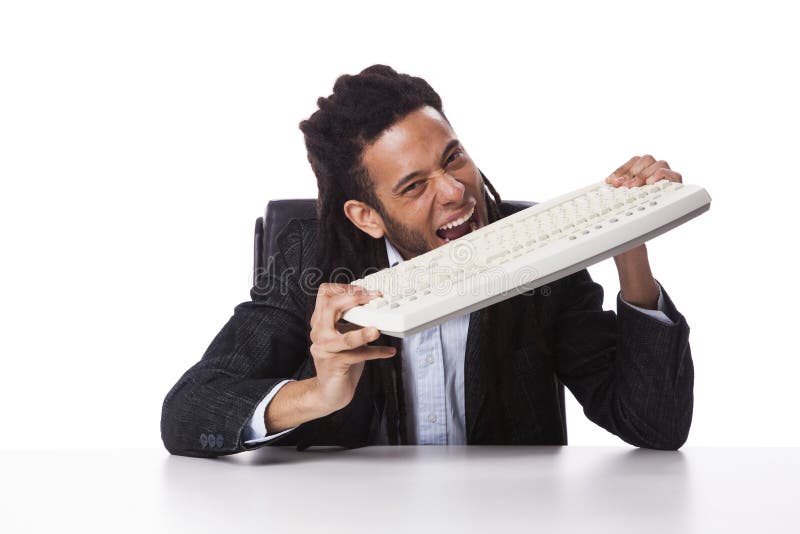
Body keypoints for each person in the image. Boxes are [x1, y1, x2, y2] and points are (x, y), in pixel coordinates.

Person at [160, 65, 694, 458]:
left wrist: (629, 244)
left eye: (453, 158)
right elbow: (187, 412)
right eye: (414, 186)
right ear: (367, 216)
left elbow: (654, 427)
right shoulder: (310, 258)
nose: (456, 191)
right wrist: (314, 396)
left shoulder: (545, 252)